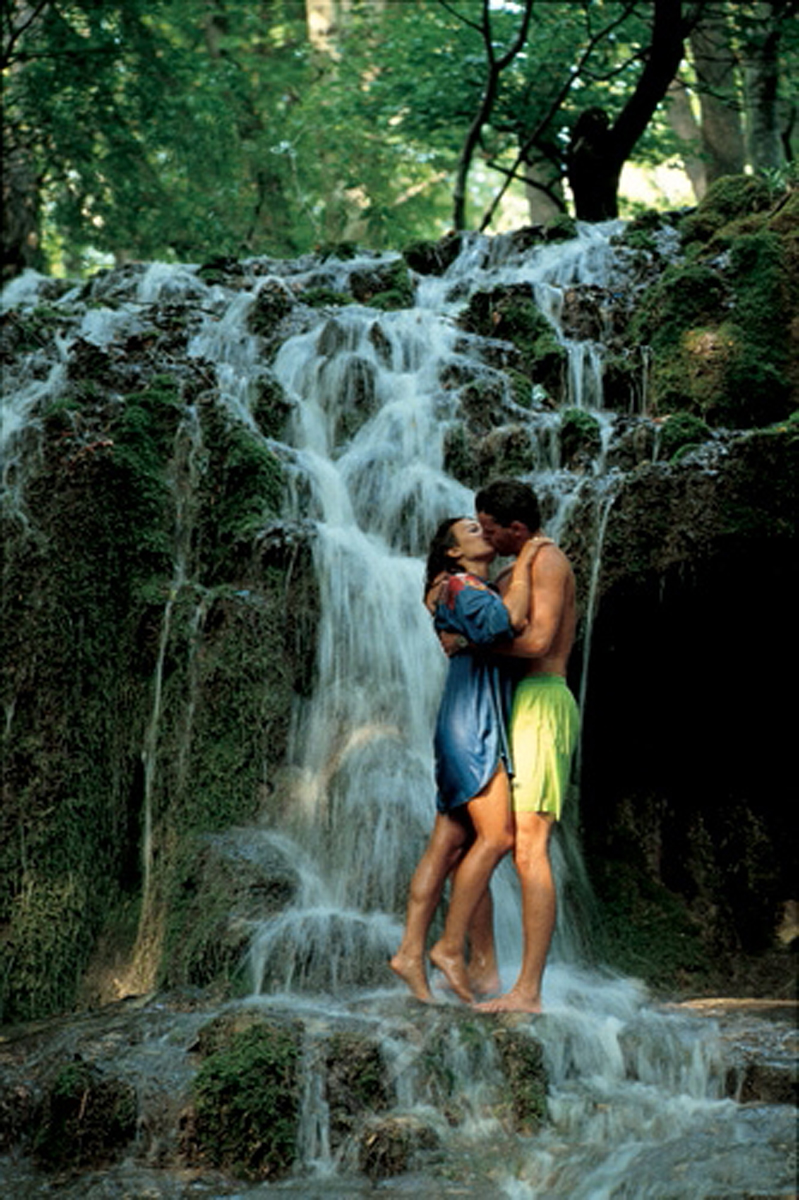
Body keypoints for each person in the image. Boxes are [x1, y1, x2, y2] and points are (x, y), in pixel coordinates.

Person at [390, 516, 544, 1004]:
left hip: (468, 715)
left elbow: (488, 632)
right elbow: (506, 622)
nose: (484, 533)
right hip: (471, 721)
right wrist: (527, 565)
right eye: (472, 530)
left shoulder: (459, 587)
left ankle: (411, 955)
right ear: (453, 552)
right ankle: (450, 950)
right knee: (497, 836)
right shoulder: (458, 585)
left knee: (450, 846)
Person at [474, 479, 579, 1014]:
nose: (486, 538)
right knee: (491, 838)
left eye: (492, 529)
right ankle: (484, 968)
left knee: (530, 846)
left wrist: (475, 640)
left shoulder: (548, 560)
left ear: (517, 527)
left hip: (542, 701)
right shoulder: (522, 563)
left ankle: (529, 991)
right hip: (517, 706)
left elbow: (538, 641)